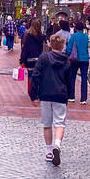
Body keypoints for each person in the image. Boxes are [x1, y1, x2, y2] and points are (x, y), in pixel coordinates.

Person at [31, 33, 72, 165]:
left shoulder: (44, 58)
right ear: (63, 46)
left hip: (45, 94)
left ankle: (49, 151)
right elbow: (69, 81)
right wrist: (70, 96)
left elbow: (36, 75)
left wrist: (34, 94)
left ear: (50, 44)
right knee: (60, 123)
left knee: (47, 124)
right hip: (60, 95)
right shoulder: (66, 60)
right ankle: (57, 144)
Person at [67, 17, 90, 104]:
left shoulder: (73, 36)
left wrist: (67, 55)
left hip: (75, 59)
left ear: (76, 28)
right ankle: (83, 99)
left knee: (72, 77)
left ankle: (71, 96)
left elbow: (69, 48)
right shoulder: (85, 37)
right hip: (85, 59)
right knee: (84, 79)